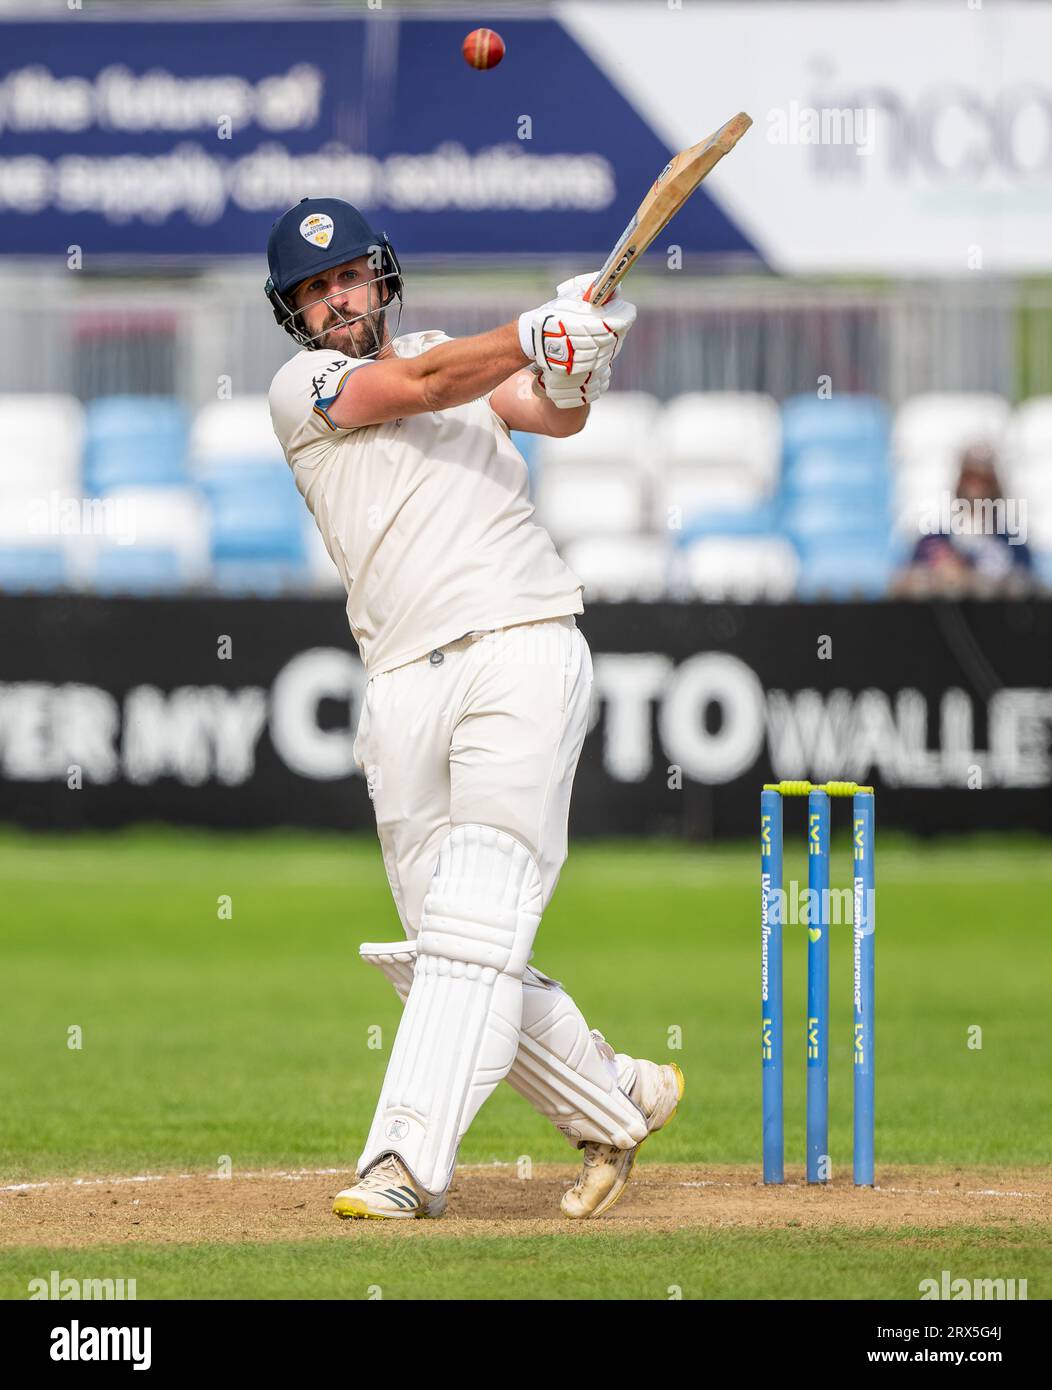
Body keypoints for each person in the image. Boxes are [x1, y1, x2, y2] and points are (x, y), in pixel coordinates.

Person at [265, 197, 683, 1221]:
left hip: (520, 642)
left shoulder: (462, 357)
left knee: (472, 923)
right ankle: (617, 1093)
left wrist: (573, 361)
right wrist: (531, 333)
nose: (335, 300)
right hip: (399, 682)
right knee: (447, 946)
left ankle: (402, 1163)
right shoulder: (304, 387)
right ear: (295, 314)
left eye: (348, 277)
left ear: (381, 277)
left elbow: (552, 412)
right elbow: (416, 383)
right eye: (314, 291)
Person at [897, 442, 1032, 597]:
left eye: (984, 481)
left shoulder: (1012, 543)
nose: (975, 489)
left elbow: (1024, 587)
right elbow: (903, 584)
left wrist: (968, 578)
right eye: (969, 479)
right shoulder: (933, 541)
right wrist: (934, 578)